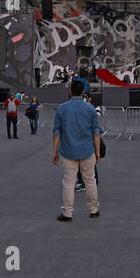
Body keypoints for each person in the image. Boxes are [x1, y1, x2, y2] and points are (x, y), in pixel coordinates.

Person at [52, 79, 101, 221]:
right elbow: (96, 133)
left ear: (70, 91)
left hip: (68, 152)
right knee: (90, 181)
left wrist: (55, 152)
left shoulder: (62, 108)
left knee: (68, 182)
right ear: (84, 92)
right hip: (87, 150)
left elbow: (57, 133)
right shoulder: (90, 109)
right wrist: (97, 151)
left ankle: (67, 213)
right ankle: (94, 210)